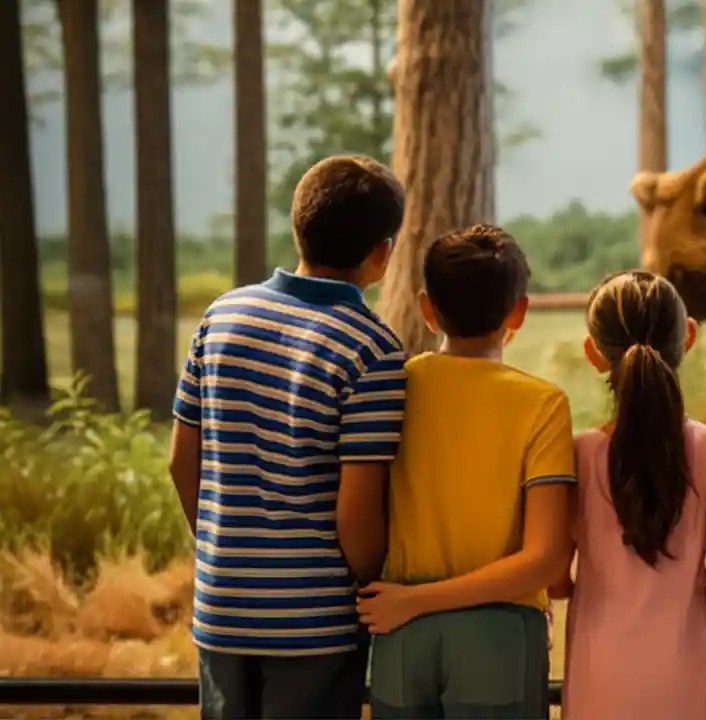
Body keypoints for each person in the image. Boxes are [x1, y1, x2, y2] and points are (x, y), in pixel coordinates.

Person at [169, 155, 407, 719]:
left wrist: (220, 551)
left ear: (298, 227)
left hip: (221, 605)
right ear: (382, 254)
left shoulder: (222, 316)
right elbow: (355, 514)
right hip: (315, 623)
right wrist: (374, 579)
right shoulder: (372, 351)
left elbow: (182, 462)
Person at [355, 224, 576, 720]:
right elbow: (544, 560)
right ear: (519, 310)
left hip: (399, 630)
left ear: (426, 307)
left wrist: (413, 602)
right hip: (498, 639)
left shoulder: (393, 386)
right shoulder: (542, 405)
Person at [555, 271, 706, 720]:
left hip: (601, 672)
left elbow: (556, 580)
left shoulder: (578, 455)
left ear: (593, 353)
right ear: (688, 337)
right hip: (686, 666)